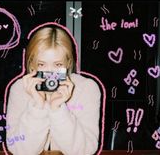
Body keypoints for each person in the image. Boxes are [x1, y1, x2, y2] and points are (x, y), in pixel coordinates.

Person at [6, 22, 101, 155]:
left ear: (68, 63)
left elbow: (84, 151)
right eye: (41, 64)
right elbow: (19, 150)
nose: (49, 73)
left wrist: (58, 109)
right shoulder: (19, 89)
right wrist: (37, 106)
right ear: (31, 65)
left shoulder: (86, 89)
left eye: (57, 64)